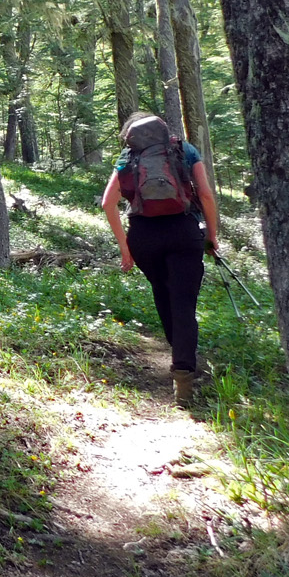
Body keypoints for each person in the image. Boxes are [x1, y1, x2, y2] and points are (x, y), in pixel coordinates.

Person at [101, 113, 220, 406]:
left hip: (143, 236)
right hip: (183, 231)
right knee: (183, 303)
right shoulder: (184, 150)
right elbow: (205, 195)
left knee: (162, 291)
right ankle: (183, 371)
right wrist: (212, 235)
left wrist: (125, 248)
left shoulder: (128, 156)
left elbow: (108, 203)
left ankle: (178, 350)